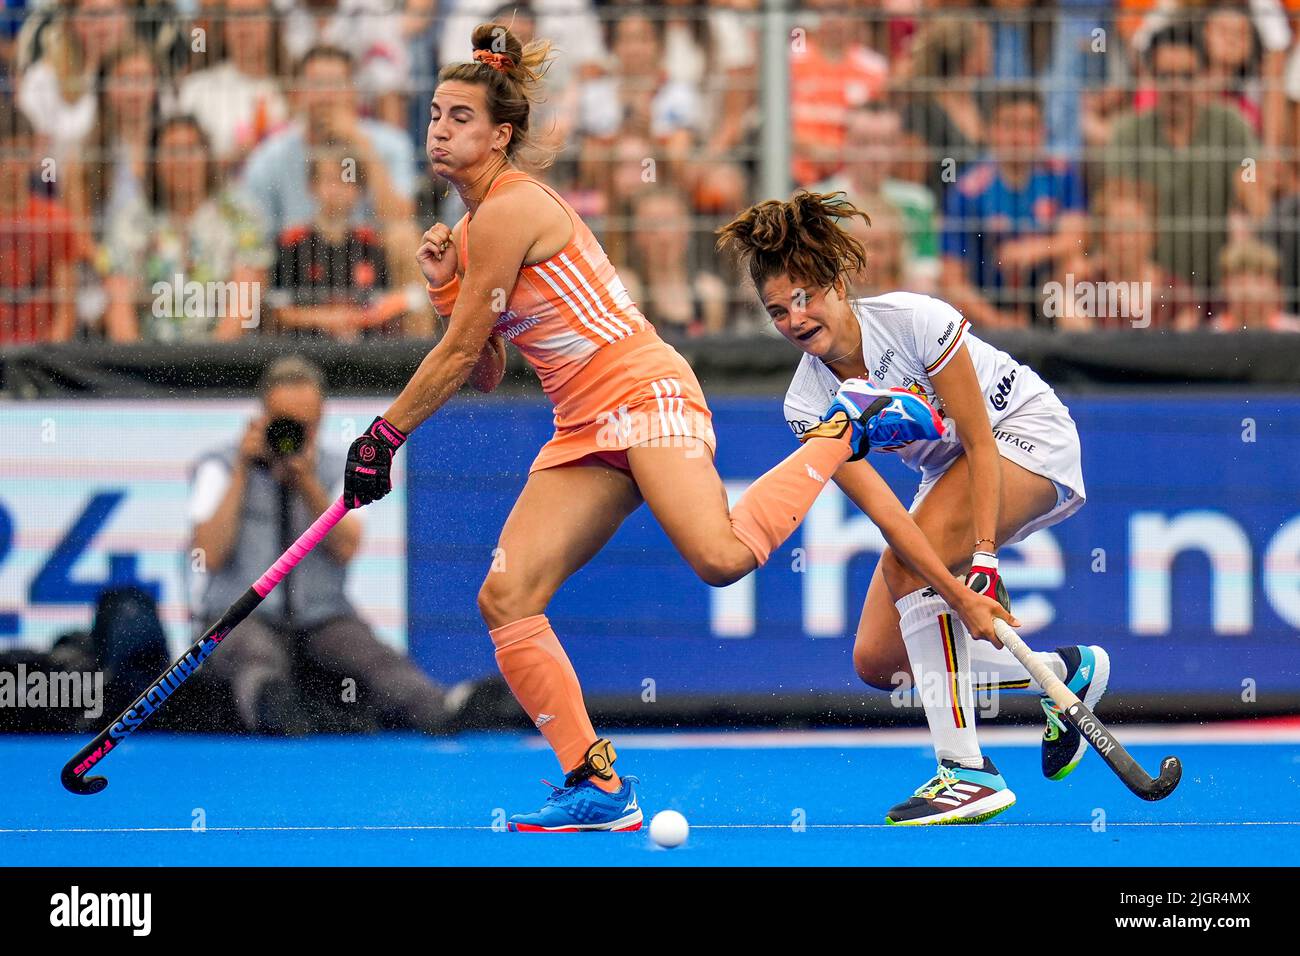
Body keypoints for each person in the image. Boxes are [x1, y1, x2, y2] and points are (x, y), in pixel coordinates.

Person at [338, 24, 1014, 832]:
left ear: (500, 135)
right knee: (507, 596)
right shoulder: (478, 230)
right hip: (582, 421)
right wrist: (448, 289)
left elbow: (453, 360)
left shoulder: (512, 209)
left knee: (722, 558)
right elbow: (483, 363)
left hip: (646, 392)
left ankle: (849, 423)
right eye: (435, 115)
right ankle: (595, 783)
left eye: (458, 117)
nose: (439, 130)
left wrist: (384, 436)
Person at [717, 191, 1105, 825]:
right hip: (946, 473)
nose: (795, 317)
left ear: (839, 284)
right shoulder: (807, 404)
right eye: (777, 310)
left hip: (1025, 433)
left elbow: (979, 438)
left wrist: (981, 562)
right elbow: (887, 516)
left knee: (908, 573)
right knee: (878, 659)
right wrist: (954, 592)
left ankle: (966, 772)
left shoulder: (914, 321)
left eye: (806, 296)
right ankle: (1061, 674)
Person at [188, 356, 486, 734]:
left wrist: (307, 482)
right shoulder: (221, 467)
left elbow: (345, 548)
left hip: (322, 617)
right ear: (262, 416)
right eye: (285, 422)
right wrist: (244, 472)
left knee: (377, 661)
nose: (295, 435)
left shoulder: (341, 472)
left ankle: (439, 712)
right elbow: (208, 555)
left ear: (322, 418)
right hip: (242, 616)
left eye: (307, 426)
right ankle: (278, 717)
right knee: (255, 659)